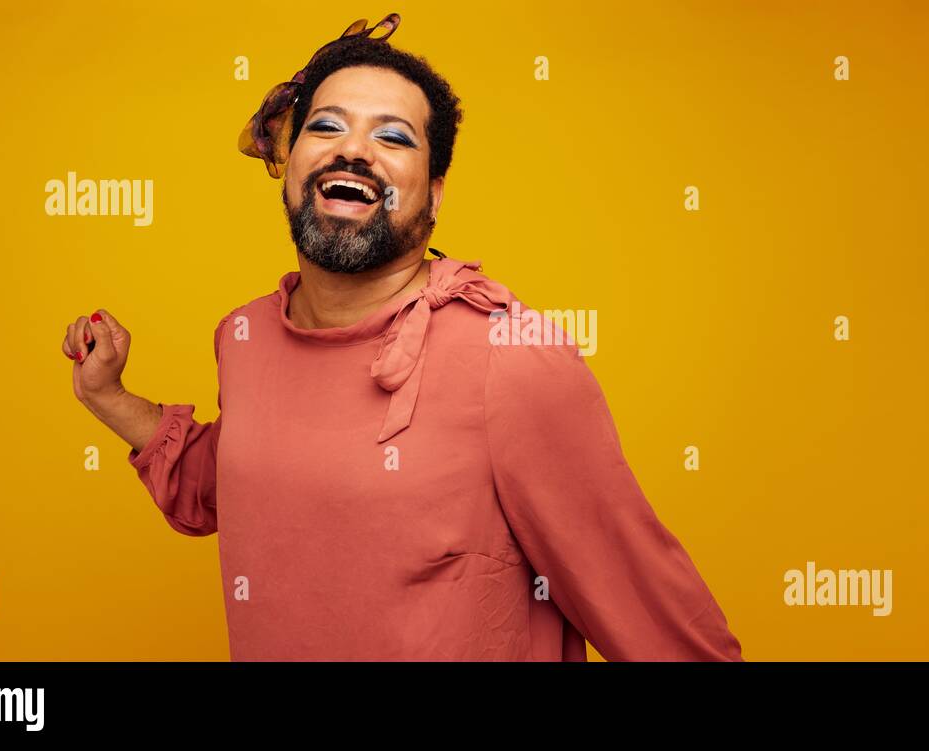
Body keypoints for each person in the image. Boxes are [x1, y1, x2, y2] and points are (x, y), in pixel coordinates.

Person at [60, 13, 742, 661]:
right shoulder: (245, 336)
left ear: (435, 194)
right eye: (326, 126)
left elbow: (655, 623)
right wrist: (110, 395)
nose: (353, 148)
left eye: (393, 137)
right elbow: (242, 484)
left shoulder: (511, 360)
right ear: (289, 162)